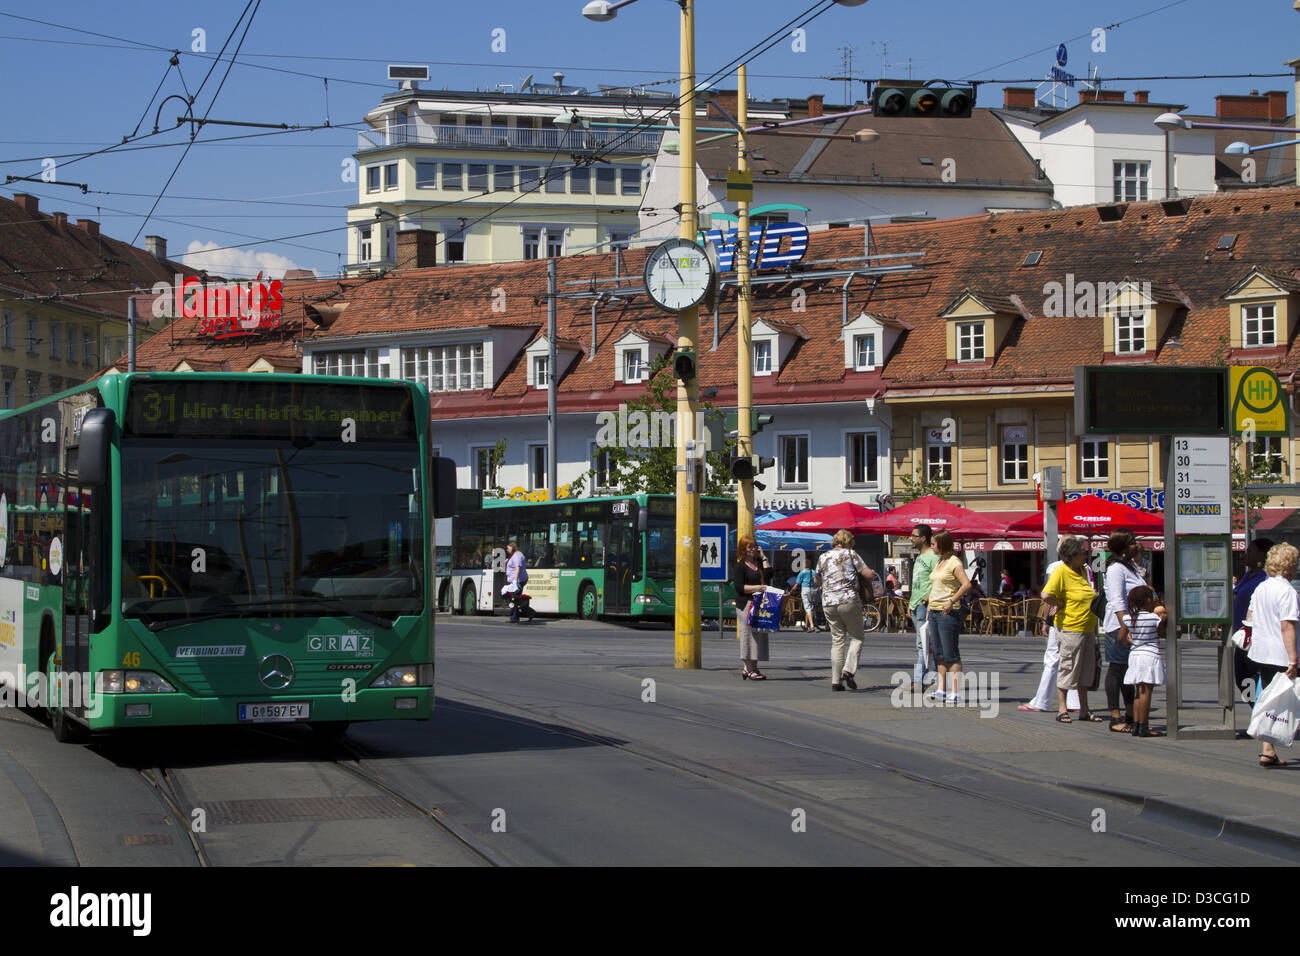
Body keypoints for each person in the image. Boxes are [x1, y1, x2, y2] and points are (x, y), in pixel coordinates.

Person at [1245, 542, 1300, 767]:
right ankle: (1269, 749)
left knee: (1270, 698)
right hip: (1281, 654)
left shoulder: (1262, 587)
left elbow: (1250, 616)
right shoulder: (1287, 591)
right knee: (1289, 698)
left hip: (1262, 653)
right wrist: (1293, 659)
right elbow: (1287, 626)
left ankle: (1268, 750)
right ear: (1290, 565)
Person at [1041, 535, 1102, 723]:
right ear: (1071, 555)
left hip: (1087, 628)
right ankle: (1062, 709)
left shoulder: (1083, 570)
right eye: (1081, 553)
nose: (1085, 555)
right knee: (1068, 668)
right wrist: (1061, 603)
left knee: (1085, 670)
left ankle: (1084, 709)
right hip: (1070, 627)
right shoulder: (1061, 571)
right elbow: (1045, 594)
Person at [1020, 549, 1081, 713]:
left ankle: (1042, 701)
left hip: (1060, 619)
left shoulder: (1055, 567)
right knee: (1073, 659)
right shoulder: (1085, 568)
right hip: (1078, 618)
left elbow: (1047, 595)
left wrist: (1045, 620)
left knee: (1052, 659)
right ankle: (1075, 702)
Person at [815, 529, 875, 691]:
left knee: (837, 640)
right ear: (849, 541)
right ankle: (848, 670)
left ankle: (835, 681)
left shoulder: (823, 556)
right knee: (857, 637)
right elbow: (867, 574)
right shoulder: (851, 554)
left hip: (828, 602)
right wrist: (873, 574)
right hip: (848, 600)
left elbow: (817, 579)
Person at [1102, 530, 1146, 733]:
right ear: (1122, 546)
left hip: (1132, 625)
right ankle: (1115, 716)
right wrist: (1124, 625)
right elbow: (1117, 599)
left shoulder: (1131, 567)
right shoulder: (1116, 568)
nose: (1136, 546)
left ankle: (1130, 714)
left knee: (1130, 671)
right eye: (1132, 543)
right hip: (1118, 627)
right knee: (1117, 670)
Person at [927, 530, 972, 703]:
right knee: (939, 653)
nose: (931, 547)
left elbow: (966, 584)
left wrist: (951, 601)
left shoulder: (954, 562)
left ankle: (955, 691)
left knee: (951, 652)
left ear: (942, 544)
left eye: (933, 544)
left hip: (948, 612)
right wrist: (930, 604)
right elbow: (936, 586)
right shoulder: (940, 561)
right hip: (935, 611)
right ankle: (941, 689)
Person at [1119, 584, 1166, 738]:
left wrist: (1132, 641)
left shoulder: (1129, 617)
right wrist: (1164, 620)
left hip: (1135, 655)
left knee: (1139, 691)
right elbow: (1161, 633)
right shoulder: (1153, 617)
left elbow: (1121, 638)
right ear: (1147, 600)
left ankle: (1137, 725)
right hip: (1150, 655)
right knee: (1146, 691)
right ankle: (1144, 726)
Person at [1233, 537, 1274, 698]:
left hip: (1256, 638)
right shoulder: (1249, 574)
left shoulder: (1265, 578)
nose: (1246, 554)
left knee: (1251, 679)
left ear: (1263, 556)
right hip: (1243, 638)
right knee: (1242, 680)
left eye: (1250, 551)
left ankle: (1259, 712)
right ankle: (1258, 712)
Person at [732, 535, 773, 680]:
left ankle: (752, 668)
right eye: (750, 547)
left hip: (759, 604)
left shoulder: (758, 564)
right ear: (743, 549)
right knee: (747, 635)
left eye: (755, 546)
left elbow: (769, 575)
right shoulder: (740, 566)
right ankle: (749, 669)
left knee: (758, 635)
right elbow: (739, 587)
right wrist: (758, 588)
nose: (753, 549)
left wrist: (763, 557)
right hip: (746, 604)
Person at [908, 524, 938, 693]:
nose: (910, 538)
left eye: (914, 535)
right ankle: (931, 678)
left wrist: (925, 600)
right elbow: (918, 582)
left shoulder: (933, 556)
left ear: (923, 538)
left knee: (924, 645)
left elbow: (938, 580)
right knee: (925, 645)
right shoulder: (919, 557)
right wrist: (911, 603)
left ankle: (919, 679)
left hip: (925, 606)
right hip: (916, 605)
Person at [504, 540, 534, 623]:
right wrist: (507, 561)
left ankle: (515, 617)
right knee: (515, 599)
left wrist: (515, 581)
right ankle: (529, 613)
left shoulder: (517, 556)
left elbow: (518, 568)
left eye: (508, 548)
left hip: (518, 581)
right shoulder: (514, 555)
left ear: (512, 547)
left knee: (514, 599)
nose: (507, 550)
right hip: (516, 580)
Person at [787, 564, 821, 632]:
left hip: (806, 589)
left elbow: (797, 584)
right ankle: (807, 625)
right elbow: (819, 580)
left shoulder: (802, 573)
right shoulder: (814, 572)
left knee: (807, 607)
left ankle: (812, 625)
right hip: (815, 589)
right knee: (812, 607)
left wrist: (790, 591)